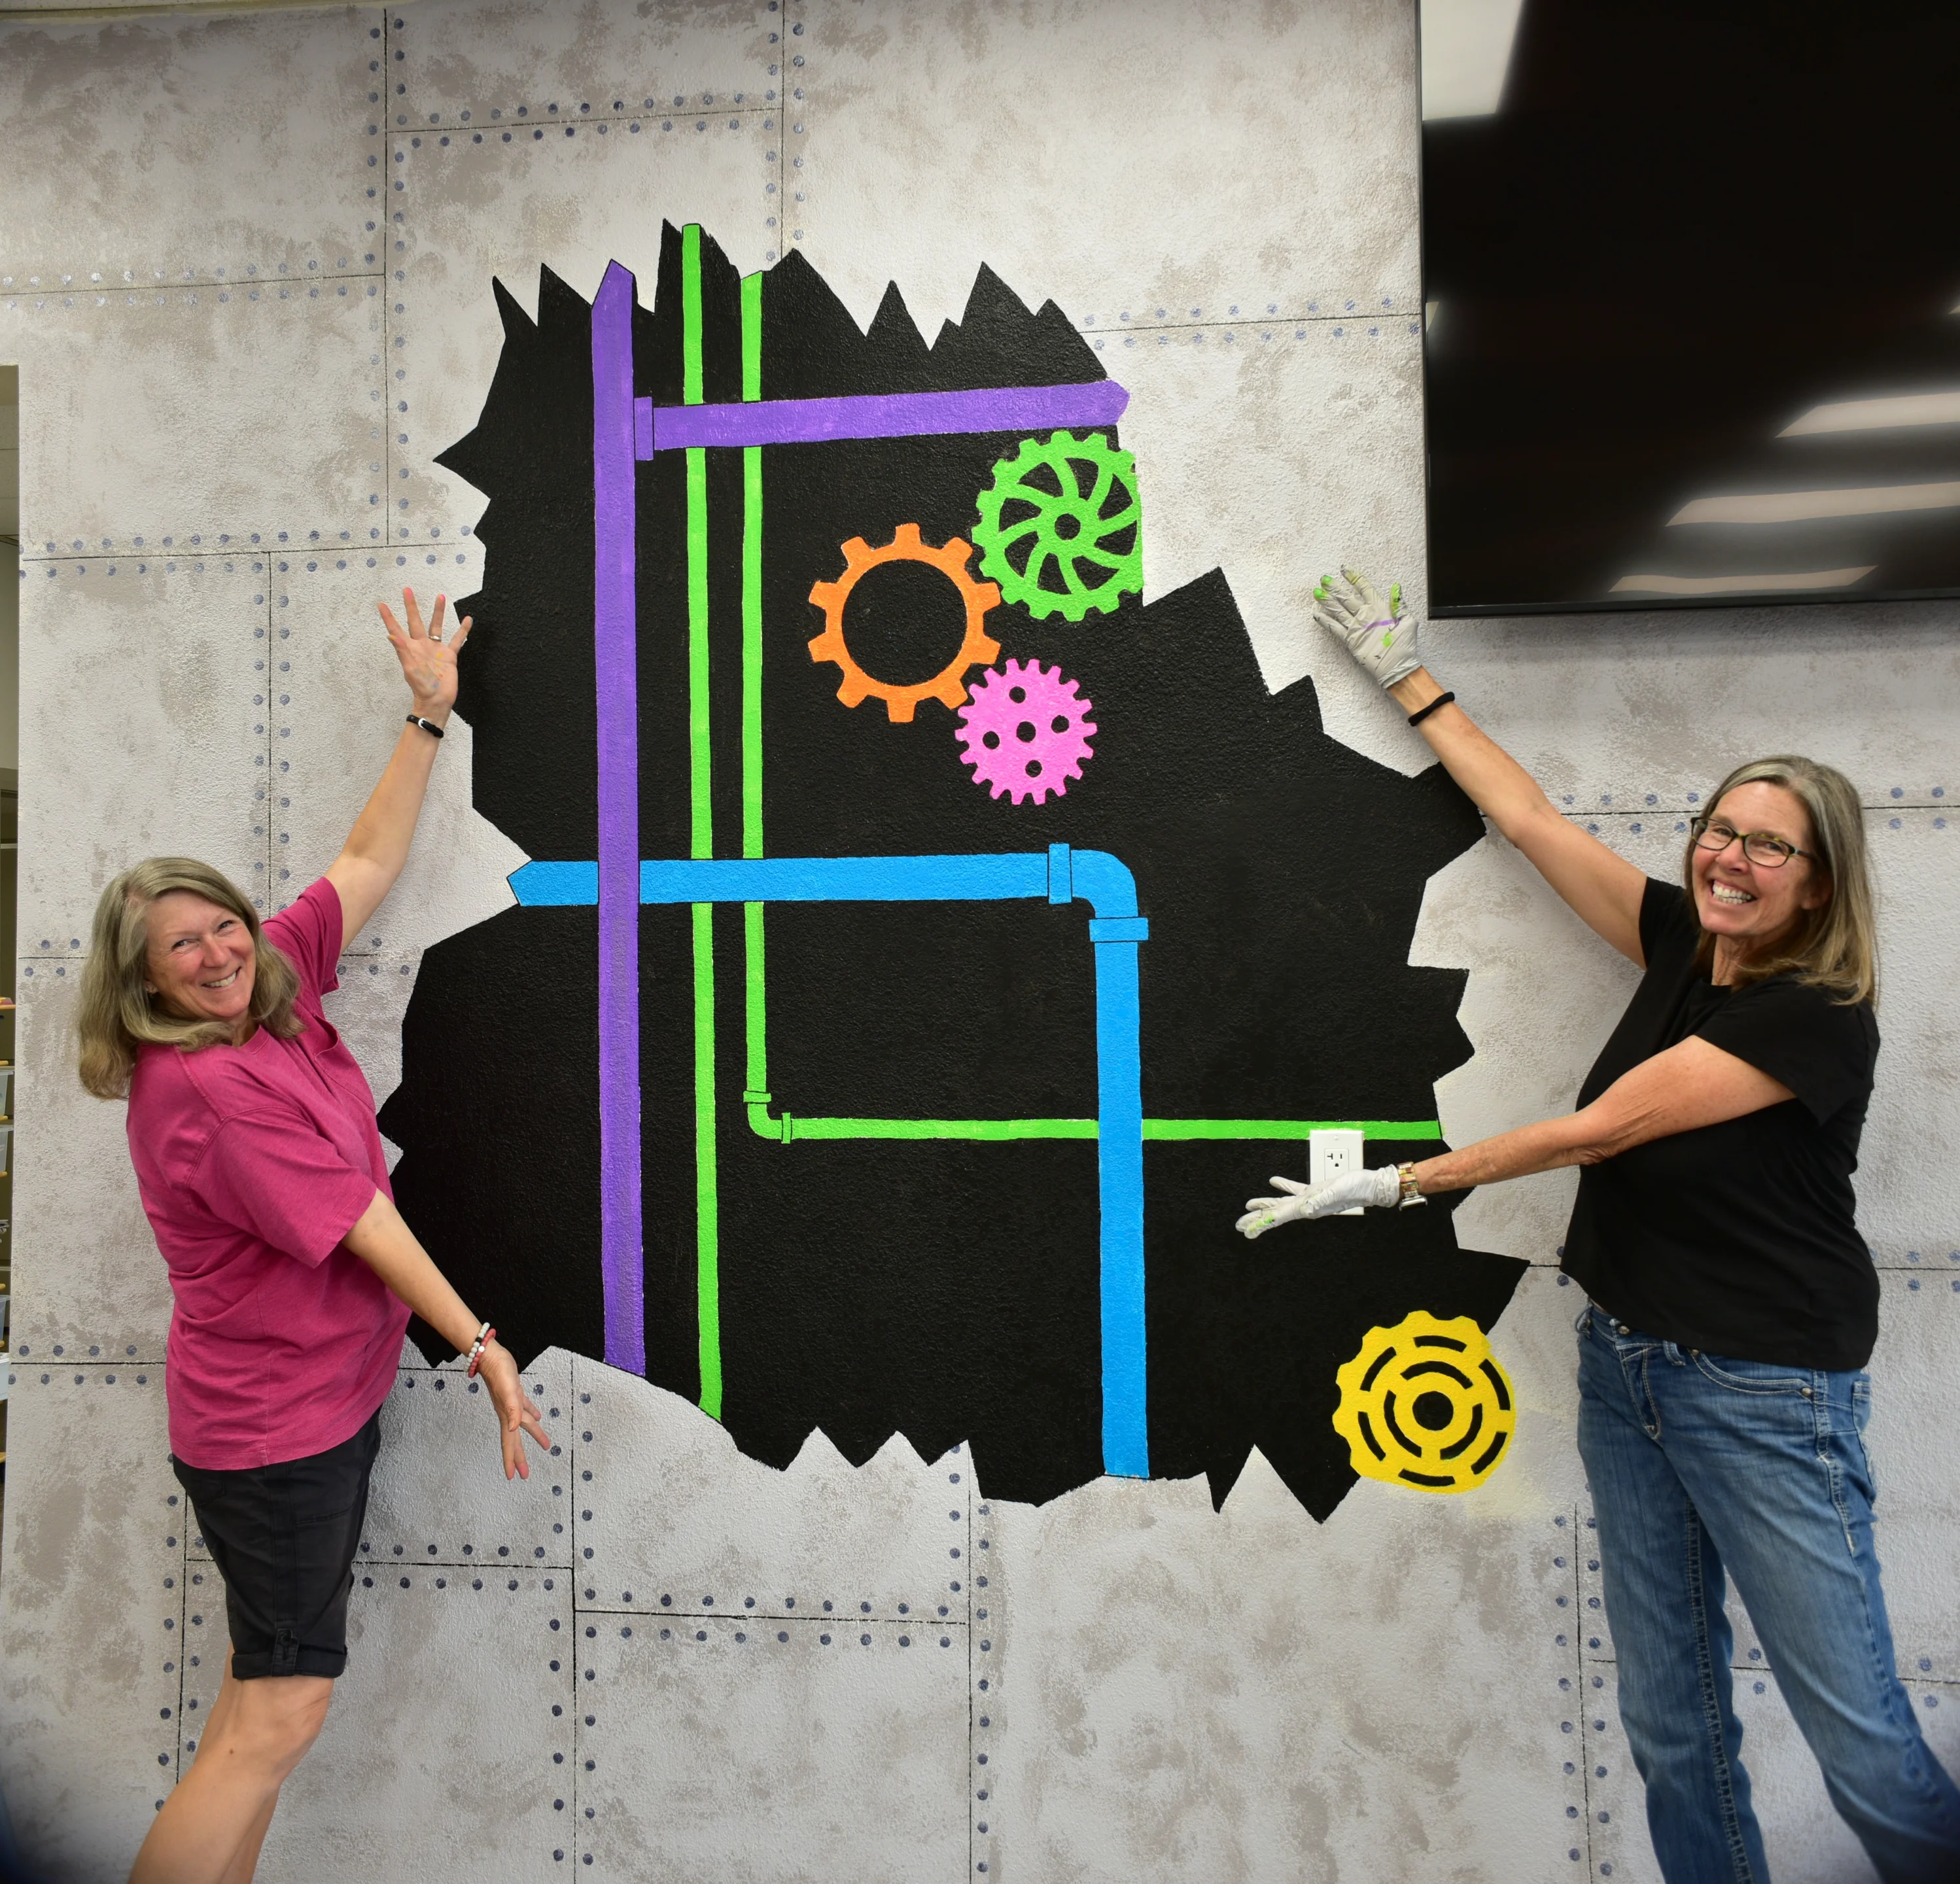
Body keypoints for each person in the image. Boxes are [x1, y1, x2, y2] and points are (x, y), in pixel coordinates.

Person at [1237, 569, 1960, 1883]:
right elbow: (1523, 817)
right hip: (1629, 1371)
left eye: (1770, 847)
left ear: (1817, 886)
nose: (1730, 858)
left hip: (1762, 1393)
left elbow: (1600, 1129)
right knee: (1670, 1727)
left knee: (1860, 1746)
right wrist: (1410, 680)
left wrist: (1396, 1184)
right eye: (1720, 831)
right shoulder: (1684, 945)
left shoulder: (1810, 1016)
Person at [76, 591, 550, 1884]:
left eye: (222, 923)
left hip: (298, 1414)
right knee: (278, 1719)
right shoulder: (208, 1095)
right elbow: (364, 1226)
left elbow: (363, 862)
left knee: (255, 1711)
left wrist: (425, 710)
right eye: (186, 947)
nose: (221, 949)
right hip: (273, 1438)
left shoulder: (268, 993)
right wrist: (485, 1345)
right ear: (148, 986)